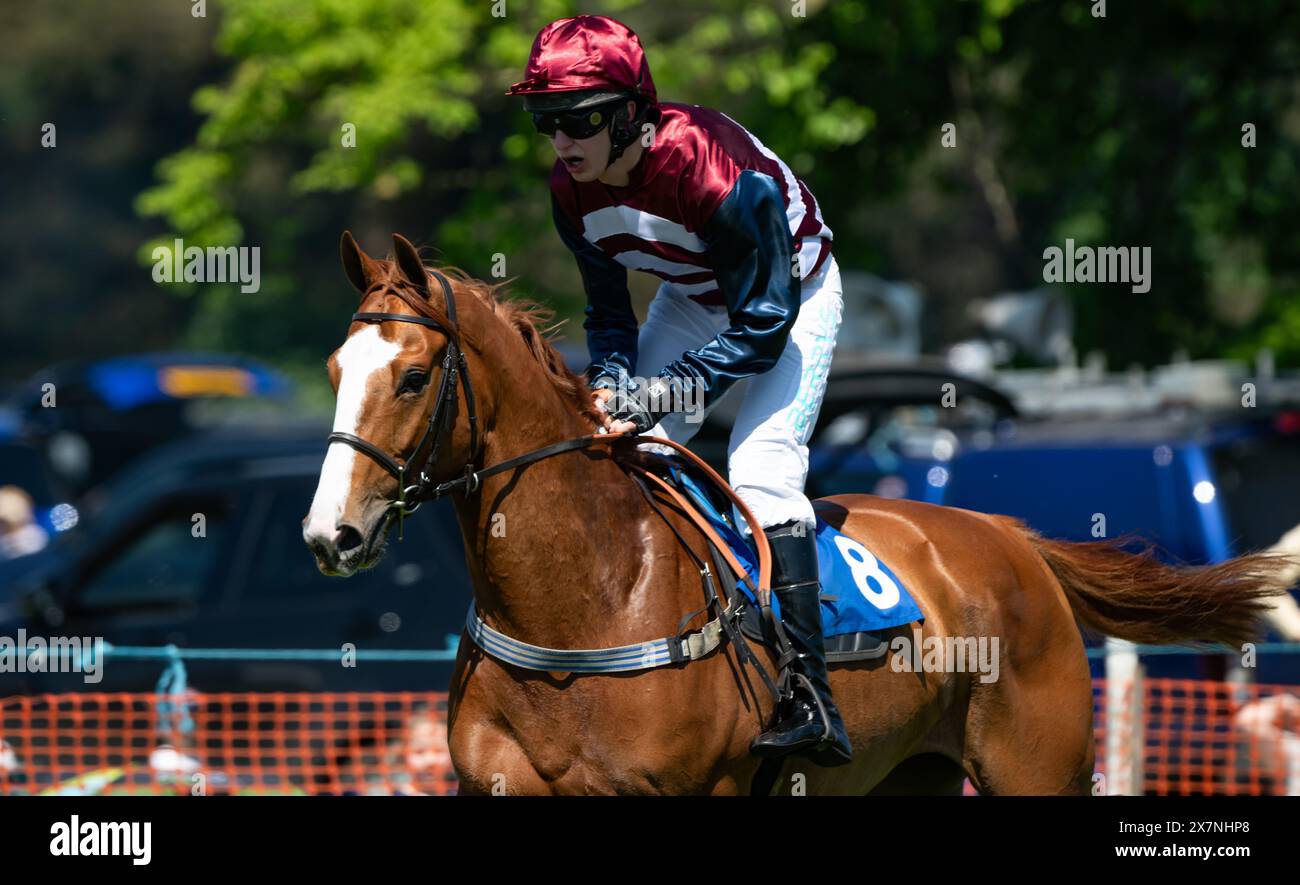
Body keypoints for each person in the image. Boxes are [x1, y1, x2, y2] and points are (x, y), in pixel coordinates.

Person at [507, 15, 850, 765]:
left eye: (578, 119)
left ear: (630, 112)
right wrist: (612, 382)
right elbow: (606, 313)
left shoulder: (716, 172)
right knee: (618, 448)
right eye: (546, 122)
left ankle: (811, 696)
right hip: (693, 297)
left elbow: (763, 324)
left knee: (761, 474)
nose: (561, 140)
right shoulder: (571, 189)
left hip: (791, 300)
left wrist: (672, 390)